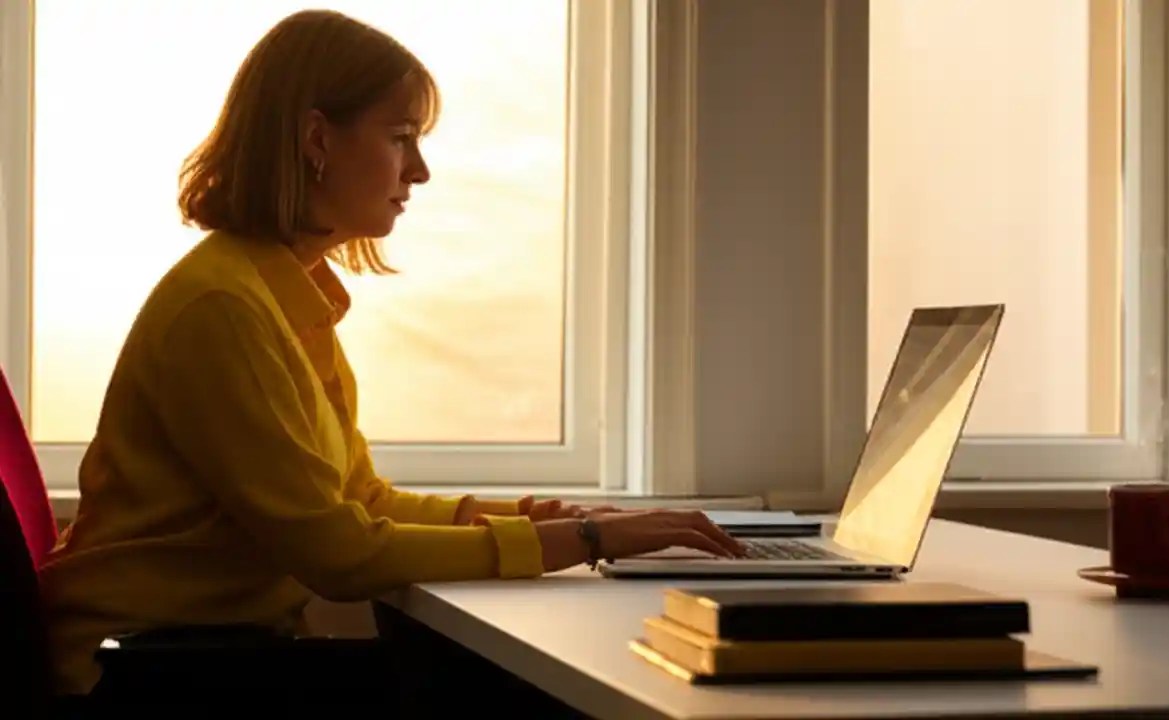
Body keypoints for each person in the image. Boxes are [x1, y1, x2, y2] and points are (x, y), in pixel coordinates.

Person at [38, 8, 744, 698]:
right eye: (401, 138)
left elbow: (362, 502)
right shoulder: (223, 309)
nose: (421, 171)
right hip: (135, 671)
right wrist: (585, 539)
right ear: (317, 139)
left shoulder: (283, 294)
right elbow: (341, 555)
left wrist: (549, 516)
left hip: (205, 652)